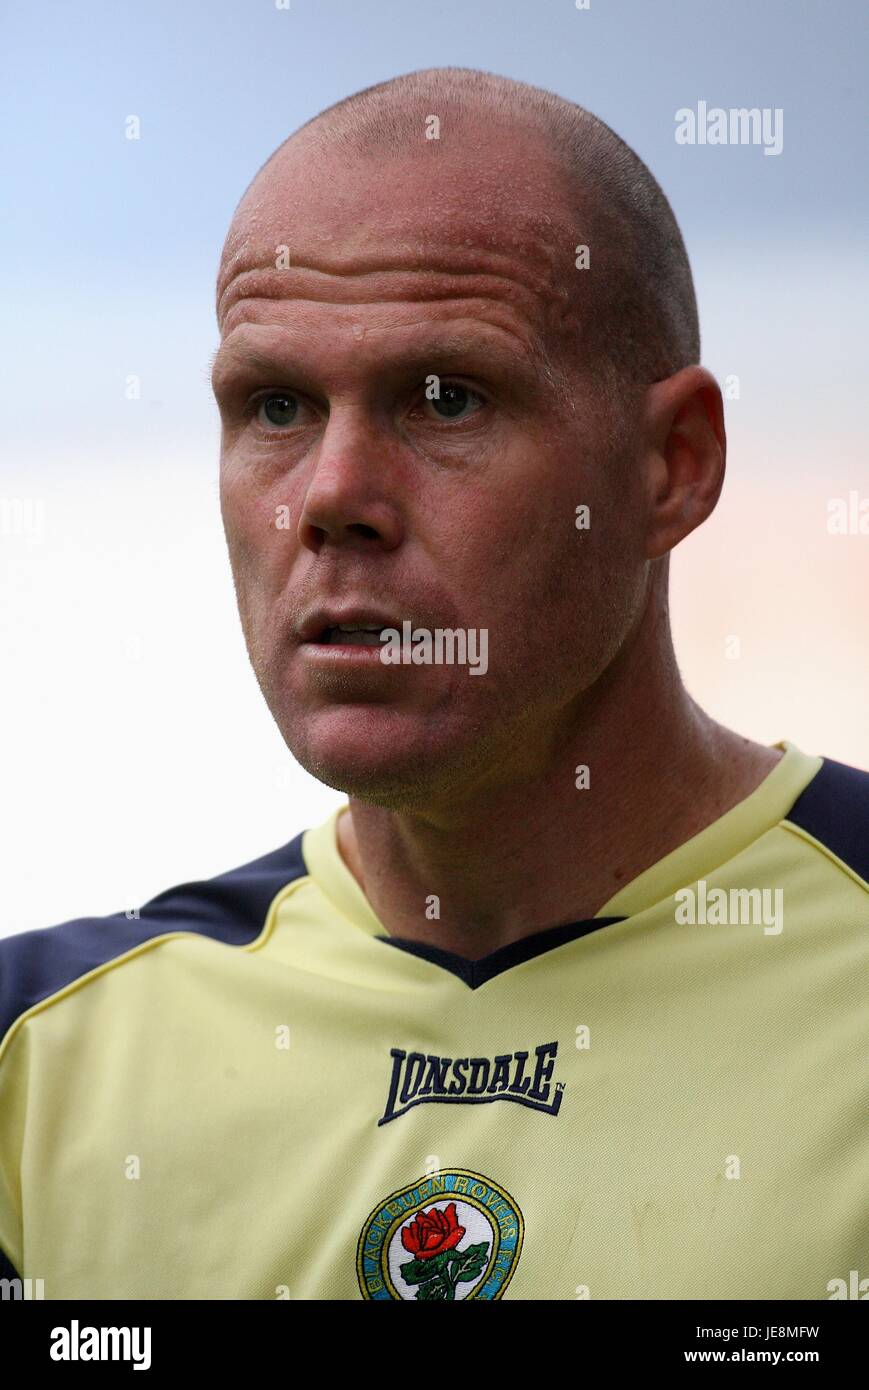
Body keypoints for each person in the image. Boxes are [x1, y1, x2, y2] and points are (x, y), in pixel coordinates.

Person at [1, 67, 866, 1302]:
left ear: (671, 466)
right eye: (276, 407)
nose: (331, 498)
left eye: (445, 399)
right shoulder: (39, 1063)